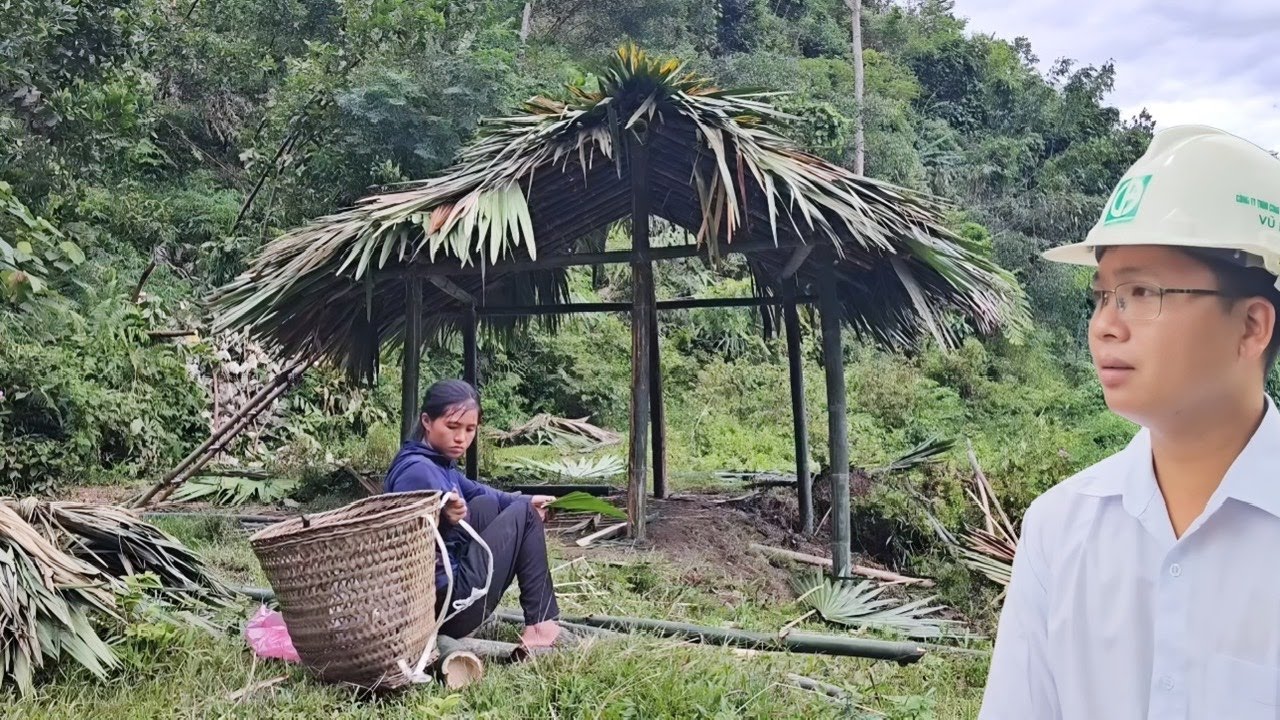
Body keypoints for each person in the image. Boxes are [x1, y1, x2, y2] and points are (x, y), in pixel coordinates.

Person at [980, 125, 1280, 719]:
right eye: (1102, 295)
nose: (1104, 326)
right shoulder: (1060, 529)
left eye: (1141, 292)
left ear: (1251, 327)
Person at [384, 379, 564, 651]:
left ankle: (535, 623)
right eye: (452, 427)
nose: (461, 438)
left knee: (486, 505)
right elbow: (408, 540)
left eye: (470, 429)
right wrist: (442, 517)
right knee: (525, 516)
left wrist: (529, 498)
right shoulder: (417, 471)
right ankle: (540, 626)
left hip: (446, 602)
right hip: (442, 610)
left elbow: (484, 492)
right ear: (427, 421)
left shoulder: (436, 463)